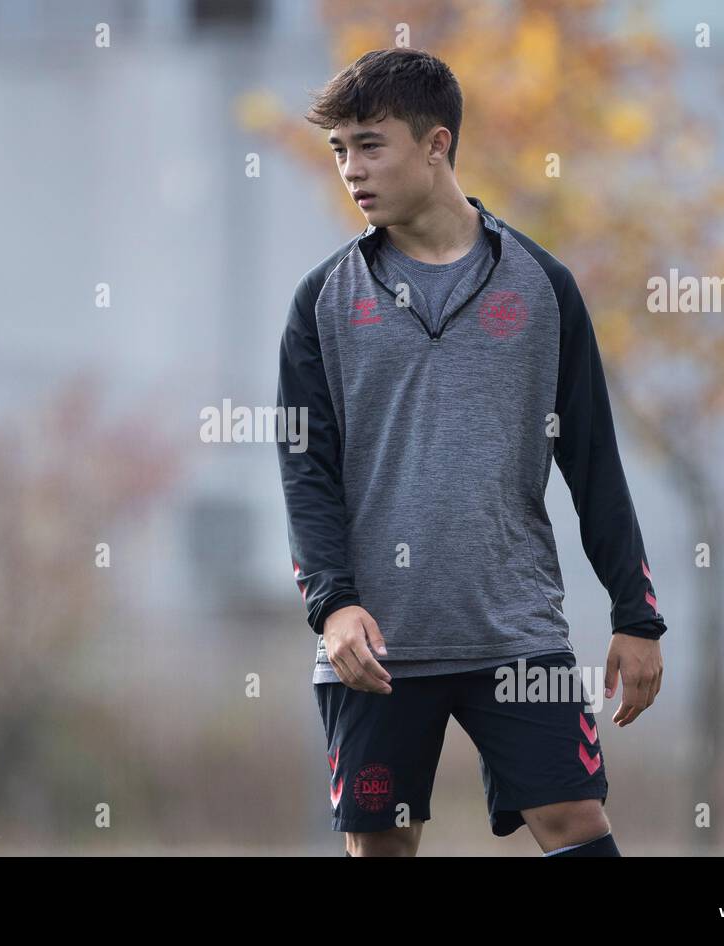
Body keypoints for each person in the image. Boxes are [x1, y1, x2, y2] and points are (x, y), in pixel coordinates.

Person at [276, 48, 666, 857]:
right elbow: (304, 472)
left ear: (436, 145)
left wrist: (637, 615)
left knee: (577, 827)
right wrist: (333, 606)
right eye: (339, 150)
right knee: (382, 848)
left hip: (518, 633)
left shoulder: (543, 287)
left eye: (370, 145)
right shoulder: (321, 301)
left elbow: (592, 459)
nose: (351, 169)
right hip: (375, 648)